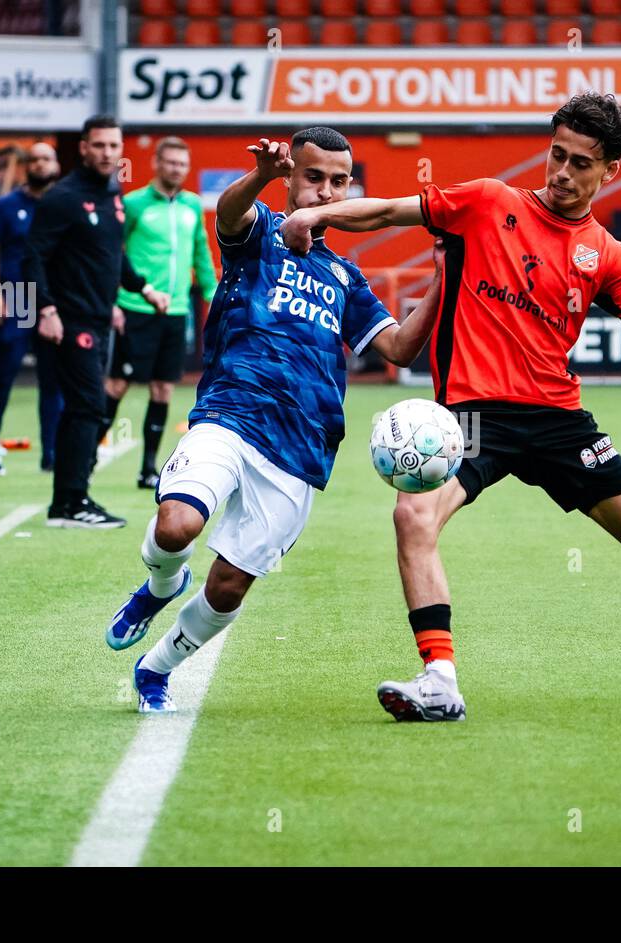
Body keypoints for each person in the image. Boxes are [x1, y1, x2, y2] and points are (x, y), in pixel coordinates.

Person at [283, 92, 621, 720]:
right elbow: (386, 211)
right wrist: (314, 220)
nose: (563, 174)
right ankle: (439, 679)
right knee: (413, 517)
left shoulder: (610, 256)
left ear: (611, 172)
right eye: (557, 156)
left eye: (580, 164)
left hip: (557, 420)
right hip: (473, 414)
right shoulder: (490, 202)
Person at [107, 128, 444, 713]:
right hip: (229, 414)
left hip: (302, 448)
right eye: (313, 177)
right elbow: (232, 212)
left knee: (229, 585)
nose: (325, 191)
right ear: (292, 180)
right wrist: (260, 176)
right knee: (175, 527)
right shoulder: (259, 233)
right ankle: (161, 584)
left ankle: (157, 667)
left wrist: (443, 275)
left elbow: (398, 348)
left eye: (339, 182)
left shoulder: (348, 278)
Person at [21, 115, 170, 529]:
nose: (107, 153)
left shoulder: (111, 194)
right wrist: (45, 310)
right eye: (99, 145)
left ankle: (68, 501)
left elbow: (110, 257)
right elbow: (32, 257)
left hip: (101, 317)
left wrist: (142, 289)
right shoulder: (62, 197)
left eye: (113, 146)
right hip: (70, 320)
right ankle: (72, 502)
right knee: (87, 405)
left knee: (83, 408)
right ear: (83, 148)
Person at [102, 136, 218, 489]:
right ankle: (86, 455)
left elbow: (201, 251)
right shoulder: (133, 203)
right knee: (118, 384)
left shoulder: (192, 206)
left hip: (177, 308)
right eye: (170, 163)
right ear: (156, 163)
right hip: (134, 306)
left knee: (163, 388)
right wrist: (112, 301)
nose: (176, 169)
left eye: (182, 164)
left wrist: (214, 295)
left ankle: (148, 468)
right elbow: (111, 254)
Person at [0, 143, 64, 476]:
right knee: (2, 376)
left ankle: (52, 454)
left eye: (46, 158)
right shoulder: (7, 205)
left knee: (53, 380)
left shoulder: (62, 202)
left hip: (51, 303)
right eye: (34, 159)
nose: (40, 164)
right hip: (16, 298)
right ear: (26, 166)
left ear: (55, 164)